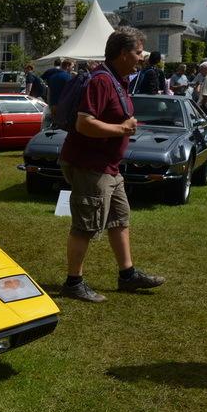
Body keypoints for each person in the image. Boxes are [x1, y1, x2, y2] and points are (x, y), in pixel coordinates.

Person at [57, 26, 165, 303]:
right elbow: (84, 123)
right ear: (122, 53)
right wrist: (122, 130)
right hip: (90, 165)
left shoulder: (118, 79)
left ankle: (127, 275)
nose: (142, 57)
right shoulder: (102, 81)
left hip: (108, 167)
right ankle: (73, 282)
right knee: (86, 225)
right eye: (138, 52)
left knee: (119, 219)